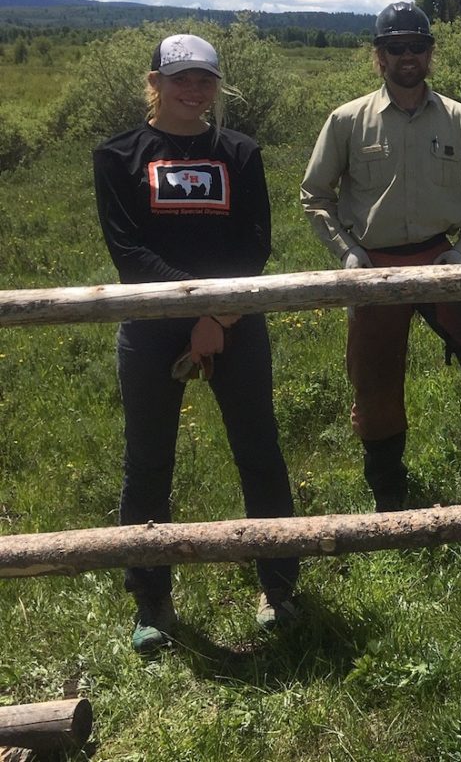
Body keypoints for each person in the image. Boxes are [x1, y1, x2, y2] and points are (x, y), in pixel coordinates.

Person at [93, 33, 299, 654]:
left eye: (204, 78)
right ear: (153, 81)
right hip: (152, 328)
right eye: (179, 77)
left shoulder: (239, 151)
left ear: (216, 85)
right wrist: (198, 312)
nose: (193, 89)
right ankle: (152, 597)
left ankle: (279, 584)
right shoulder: (118, 154)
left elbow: (254, 245)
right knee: (149, 462)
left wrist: (219, 319)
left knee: (259, 450)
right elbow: (129, 253)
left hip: (235, 324)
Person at [300, 2, 461, 511]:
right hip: (375, 266)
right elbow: (315, 195)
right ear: (378, 57)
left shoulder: (457, 119)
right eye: (395, 48)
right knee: (374, 378)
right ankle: (390, 501)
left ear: (430, 54)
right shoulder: (346, 121)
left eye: (416, 47)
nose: (407, 56)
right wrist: (347, 254)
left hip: (437, 259)